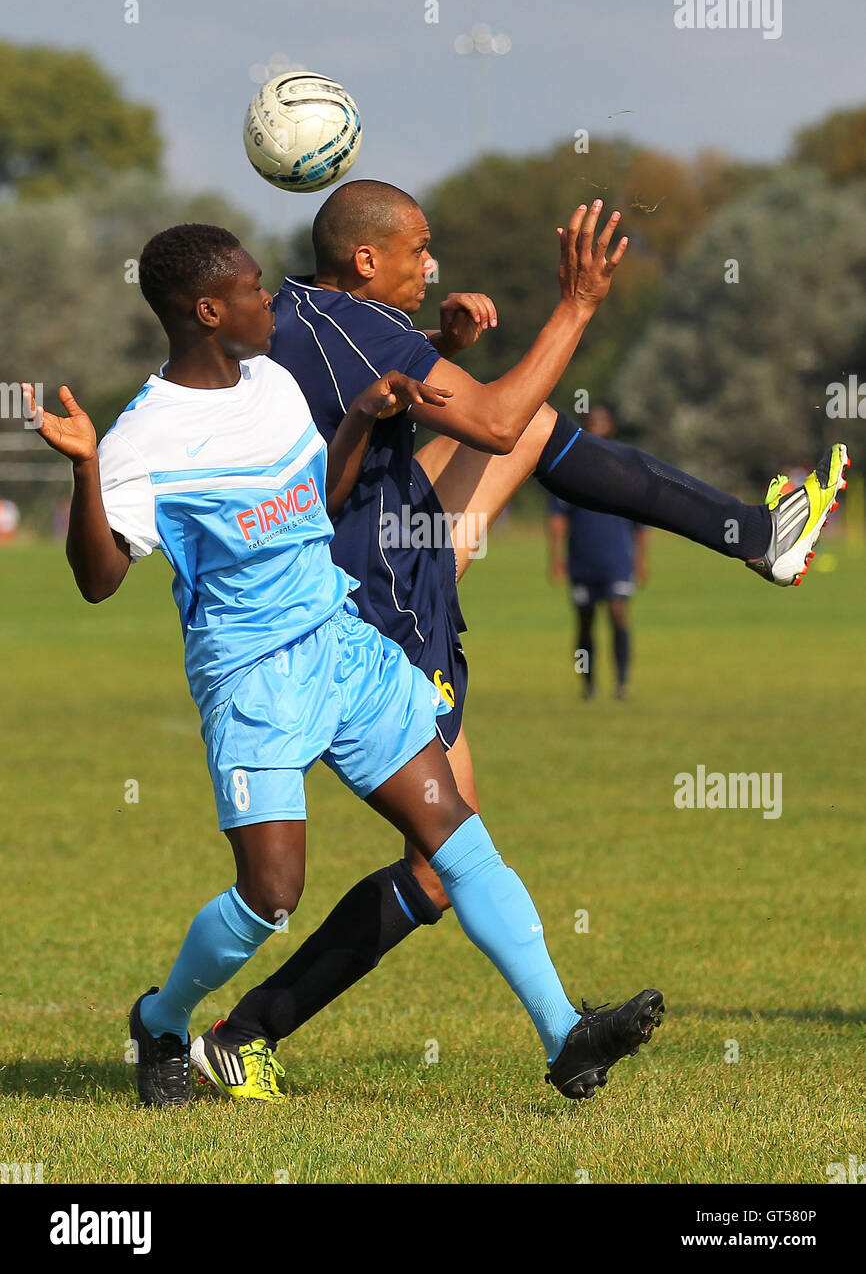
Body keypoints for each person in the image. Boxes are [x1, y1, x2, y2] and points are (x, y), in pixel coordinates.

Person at [190, 181, 848, 1101]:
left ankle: (251, 1030)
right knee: (445, 857)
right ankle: (252, 1030)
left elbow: (376, 377)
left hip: (377, 549)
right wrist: (577, 305)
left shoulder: (304, 308)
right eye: (419, 250)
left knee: (442, 867)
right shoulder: (356, 328)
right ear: (367, 260)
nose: (433, 265)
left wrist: (441, 347)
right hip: (376, 596)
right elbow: (490, 418)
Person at [21, 222, 664, 1108]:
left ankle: (565, 1036)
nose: (268, 301)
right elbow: (98, 580)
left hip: (342, 644)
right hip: (253, 678)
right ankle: (163, 1020)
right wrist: (87, 471)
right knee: (271, 894)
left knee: (456, 836)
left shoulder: (275, 382)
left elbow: (318, 497)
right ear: (208, 311)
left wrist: (361, 414)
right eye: (252, 290)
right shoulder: (146, 438)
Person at [547, 404, 648, 699]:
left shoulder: (624, 466)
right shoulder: (569, 466)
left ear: (610, 427)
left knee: (619, 614)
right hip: (582, 559)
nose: (596, 427)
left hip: (616, 559)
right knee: (585, 621)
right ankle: (588, 685)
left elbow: (640, 519)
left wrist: (641, 559)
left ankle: (622, 682)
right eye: (591, 423)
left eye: (601, 423)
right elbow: (557, 518)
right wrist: (555, 557)